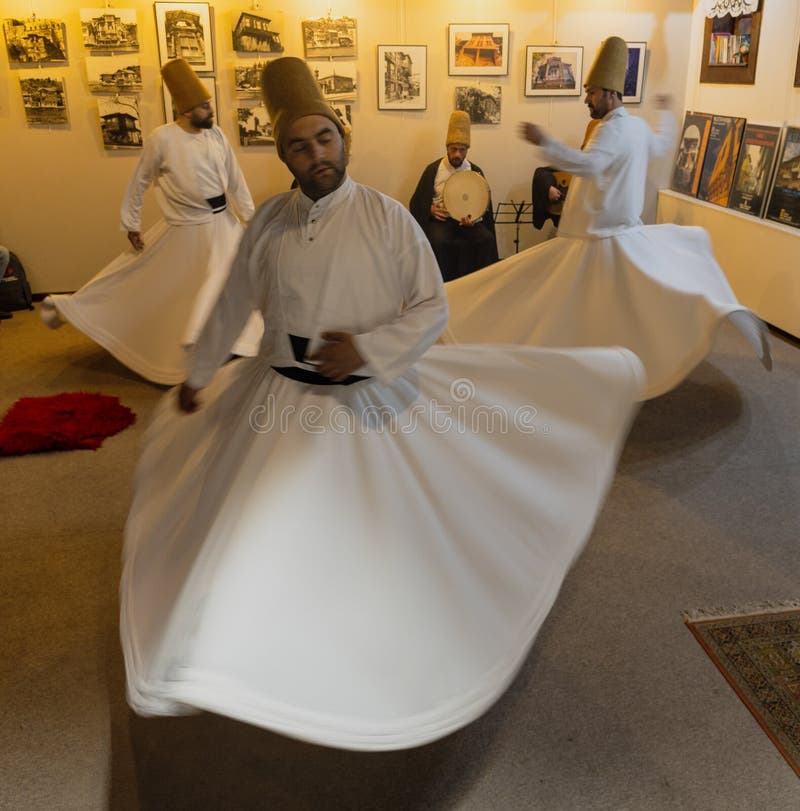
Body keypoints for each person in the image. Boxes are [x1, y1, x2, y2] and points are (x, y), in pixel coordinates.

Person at [120, 56, 645, 752]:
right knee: (250, 529)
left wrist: (367, 351)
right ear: (284, 155)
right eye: (300, 146)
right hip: (277, 399)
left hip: (366, 401)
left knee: (372, 544)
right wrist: (201, 371)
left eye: (326, 139)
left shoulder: (389, 219)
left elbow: (430, 307)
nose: (318, 155)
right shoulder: (269, 223)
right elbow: (235, 301)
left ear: (345, 138)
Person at [444, 36, 771, 400]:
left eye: (591, 92)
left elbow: (588, 164)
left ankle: (584, 373)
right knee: (608, 311)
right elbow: (662, 144)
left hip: (599, 242)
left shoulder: (611, 130)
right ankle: (613, 370)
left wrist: (545, 142)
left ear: (610, 94)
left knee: (551, 305)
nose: (587, 99)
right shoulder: (635, 128)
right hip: (616, 238)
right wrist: (665, 111)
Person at [40, 58, 262, 385]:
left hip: (223, 225)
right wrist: (130, 222)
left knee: (232, 282)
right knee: (162, 286)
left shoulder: (216, 136)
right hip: (186, 229)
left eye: (209, 104)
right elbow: (140, 181)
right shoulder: (162, 138)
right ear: (186, 111)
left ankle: (231, 344)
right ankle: (73, 308)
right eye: (204, 106)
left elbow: (236, 181)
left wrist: (253, 222)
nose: (210, 110)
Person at [409, 111, 499, 281]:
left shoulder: (475, 171)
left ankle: (482, 284)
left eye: (462, 150)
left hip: (468, 222)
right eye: (454, 149)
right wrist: (429, 209)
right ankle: (441, 287)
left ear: (467, 150)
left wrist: (475, 219)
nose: (457, 154)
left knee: (486, 240)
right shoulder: (433, 169)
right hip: (442, 220)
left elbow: (483, 204)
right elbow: (416, 202)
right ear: (447, 148)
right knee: (438, 241)